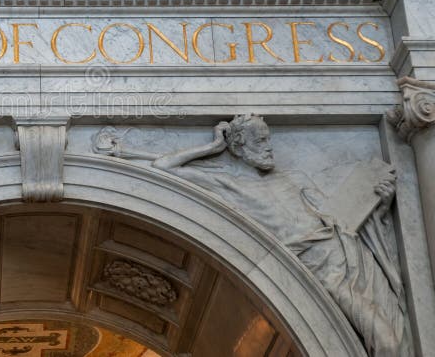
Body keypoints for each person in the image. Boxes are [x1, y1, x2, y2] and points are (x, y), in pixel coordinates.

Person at [150, 114, 410, 357]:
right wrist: (213, 147)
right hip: (323, 273)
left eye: (268, 139)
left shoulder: (294, 178)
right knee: (388, 343)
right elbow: (163, 166)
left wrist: (381, 208)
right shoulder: (231, 186)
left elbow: (340, 219)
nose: (269, 147)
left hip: (350, 255)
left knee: (399, 337)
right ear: (238, 147)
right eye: (260, 141)